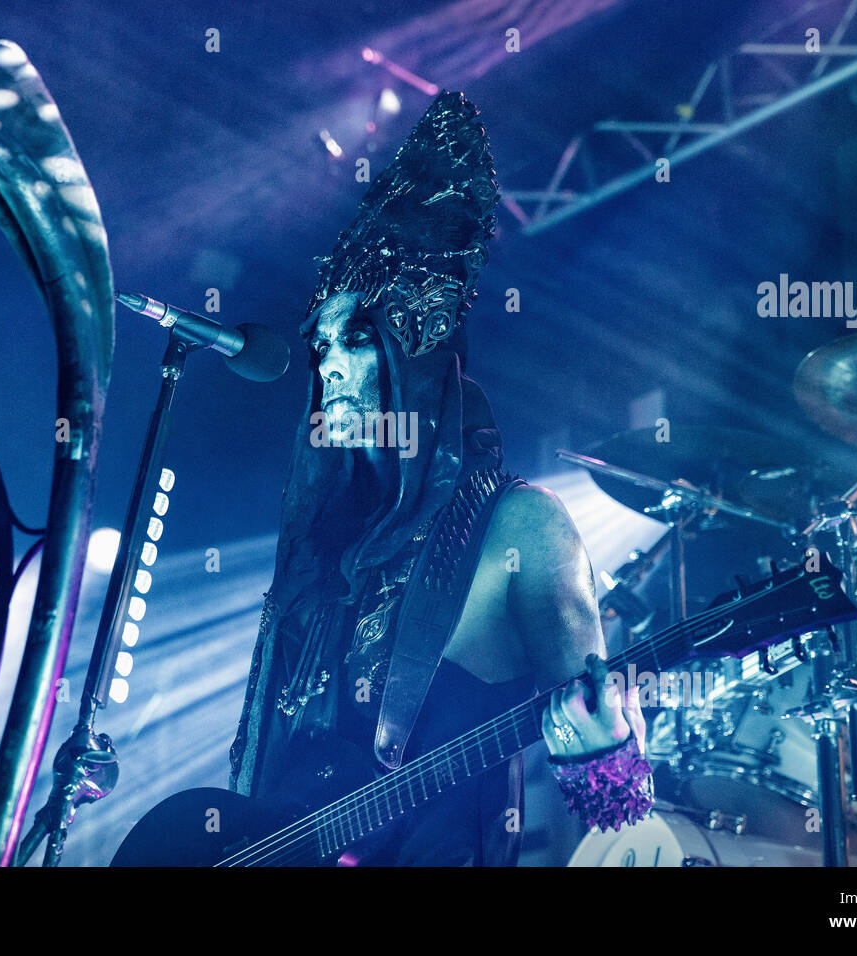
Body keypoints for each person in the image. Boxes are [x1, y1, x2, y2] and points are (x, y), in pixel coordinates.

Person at [228, 91, 652, 865]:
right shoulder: (328, 544)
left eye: (357, 337)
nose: (330, 368)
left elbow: (612, 801)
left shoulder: (521, 527)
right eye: (321, 347)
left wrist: (607, 745)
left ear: (413, 351)